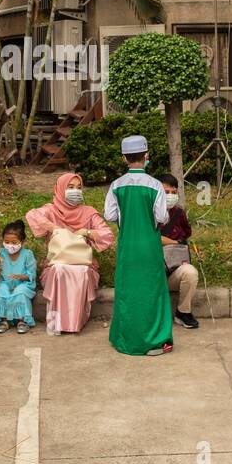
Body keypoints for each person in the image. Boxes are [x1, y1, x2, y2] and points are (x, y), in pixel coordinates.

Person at [104, 136, 173, 356]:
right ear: (146, 155)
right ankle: (155, 339)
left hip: (127, 246)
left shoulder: (116, 185)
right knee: (152, 291)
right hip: (149, 247)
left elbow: (110, 214)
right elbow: (162, 217)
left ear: (124, 158)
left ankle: (126, 339)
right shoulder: (155, 185)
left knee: (128, 291)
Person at [24, 172, 114, 335]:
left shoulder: (88, 212)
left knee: (81, 271)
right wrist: (53, 227)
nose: (76, 191)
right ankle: (57, 321)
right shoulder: (51, 210)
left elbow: (107, 235)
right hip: (56, 264)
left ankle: (74, 322)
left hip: (84, 264)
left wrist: (87, 231)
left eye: (79, 188)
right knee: (59, 270)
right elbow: (32, 215)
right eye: (70, 187)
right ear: (59, 189)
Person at [158, 175, 200, 330]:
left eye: (173, 192)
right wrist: (174, 242)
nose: (170, 196)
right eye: (165, 192)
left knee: (190, 272)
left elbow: (186, 234)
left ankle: (183, 312)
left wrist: (171, 243)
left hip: (173, 270)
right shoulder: (147, 213)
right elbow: (151, 237)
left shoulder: (179, 213)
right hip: (153, 273)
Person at [0, 221, 38, 334]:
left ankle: (22, 321)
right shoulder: (2, 253)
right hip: (6, 282)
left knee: (19, 291)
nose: (10, 245)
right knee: (2, 290)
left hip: (23, 284)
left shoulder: (27, 254)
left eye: (14, 242)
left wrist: (23, 277)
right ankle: (4, 320)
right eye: (6, 242)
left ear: (22, 242)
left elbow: (32, 274)